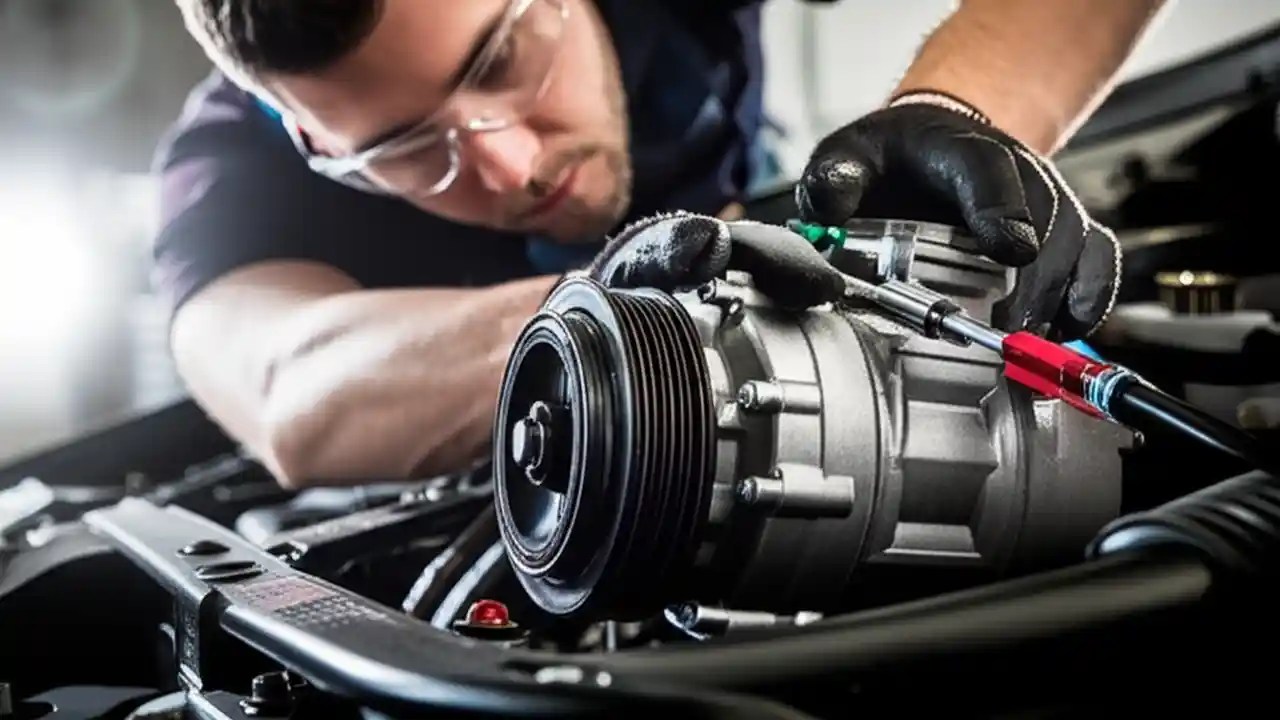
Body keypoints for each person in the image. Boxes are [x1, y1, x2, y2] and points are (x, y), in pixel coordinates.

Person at [155, 0, 1166, 488]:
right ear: (308, 138)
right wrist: (623, 302)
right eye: (403, 148)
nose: (506, 167)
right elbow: (288, 393)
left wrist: (957, 114)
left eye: (503, 57)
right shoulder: (224, 167)